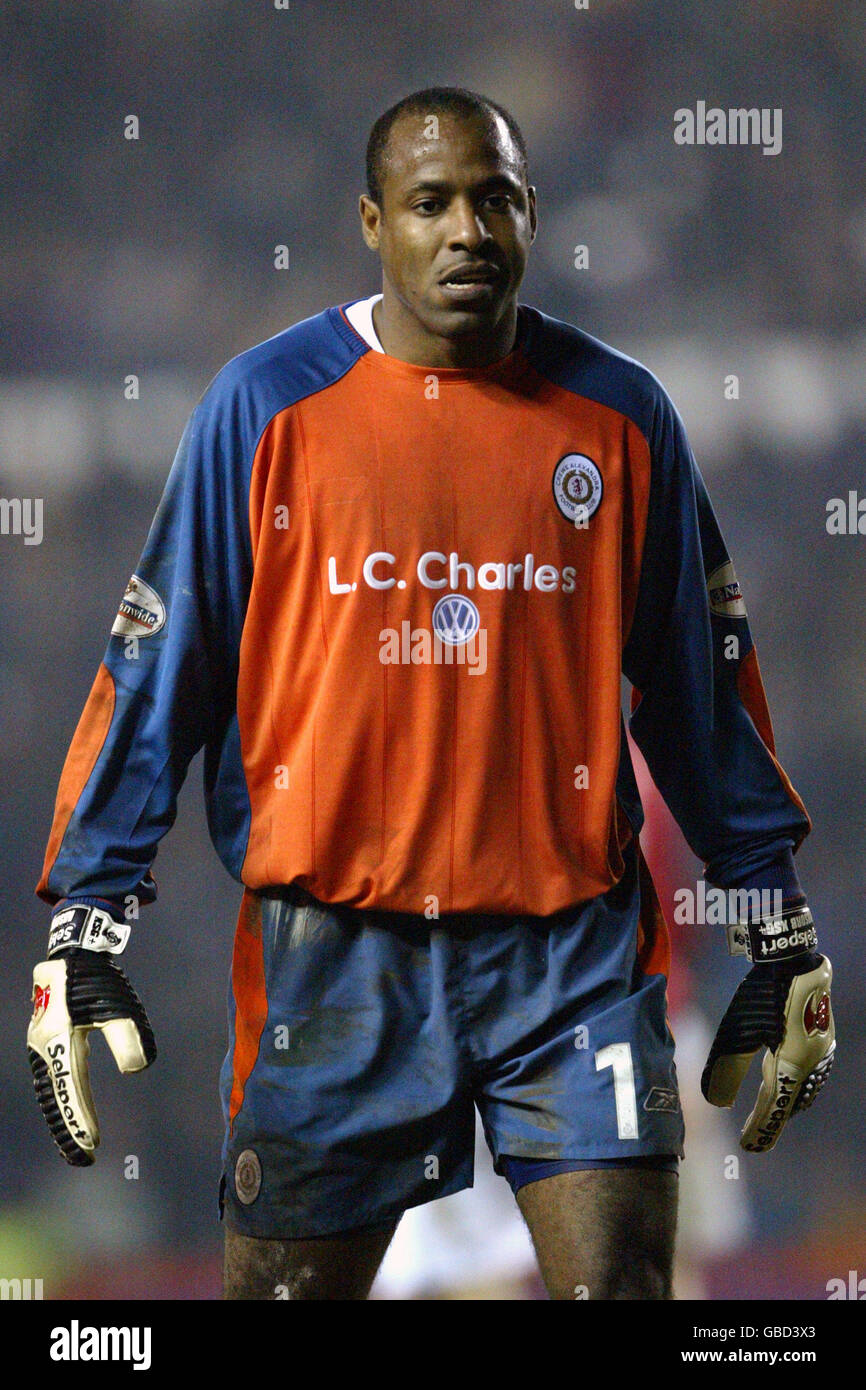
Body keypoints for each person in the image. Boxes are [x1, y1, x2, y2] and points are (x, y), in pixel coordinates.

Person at [27, 86, 835, 1301]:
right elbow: (155, 671)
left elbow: (698, 689)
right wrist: (86, 916)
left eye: (493, 198)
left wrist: (771, 916)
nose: (466, 229)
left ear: (528, 214)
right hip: (332, 962)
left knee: (623, 1289)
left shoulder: (621, 417)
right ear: (371, 221)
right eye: (430, 202)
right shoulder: (262, 409)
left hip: (569, 955)